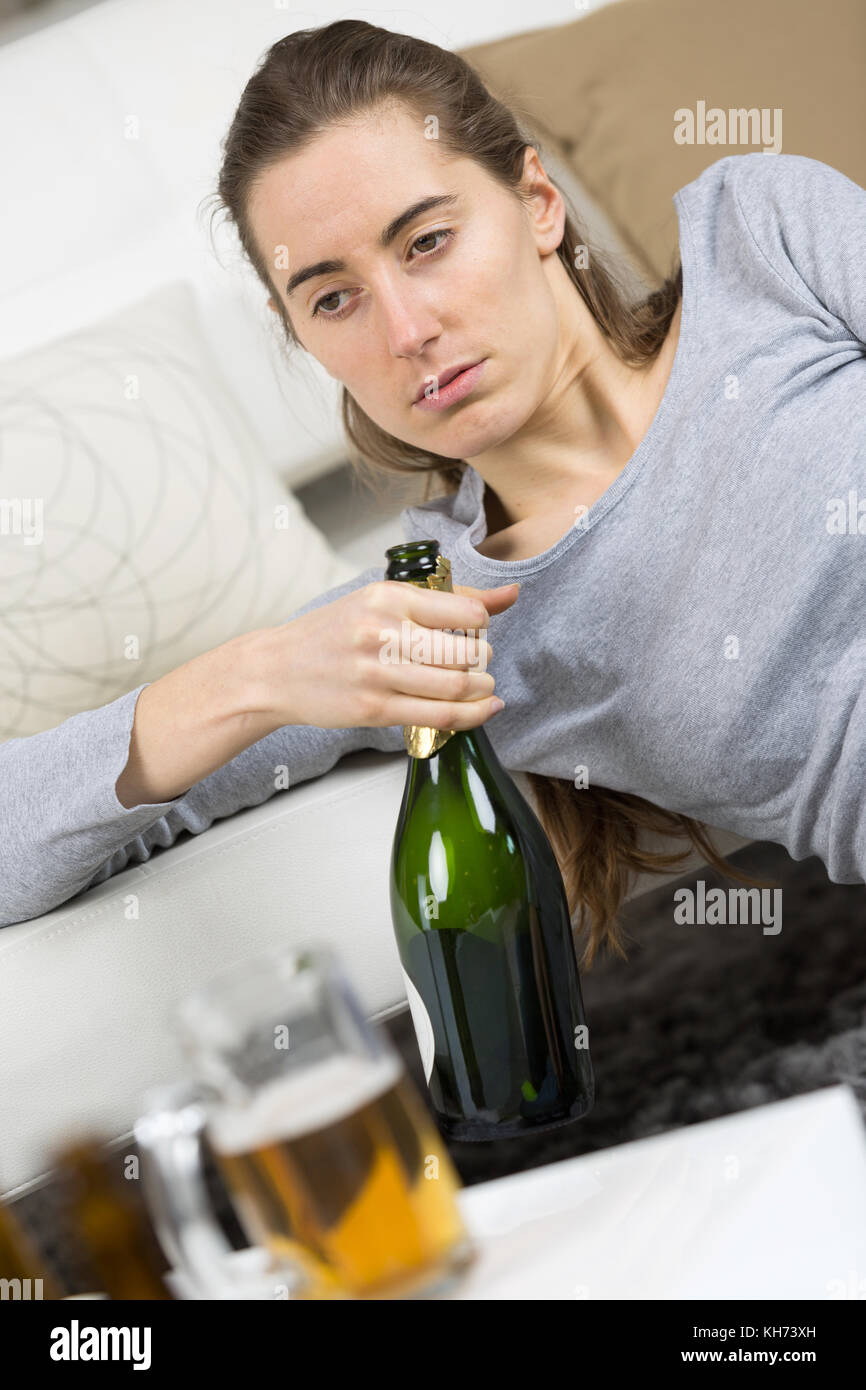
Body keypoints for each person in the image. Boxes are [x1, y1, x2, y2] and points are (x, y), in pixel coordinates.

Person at [2, 20, 865, 967]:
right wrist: (257, 675)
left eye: (428, 240)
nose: (406, 329)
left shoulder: (759, 237)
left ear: (538, 202)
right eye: (334, 299)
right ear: (302, 337)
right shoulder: (435, 623)